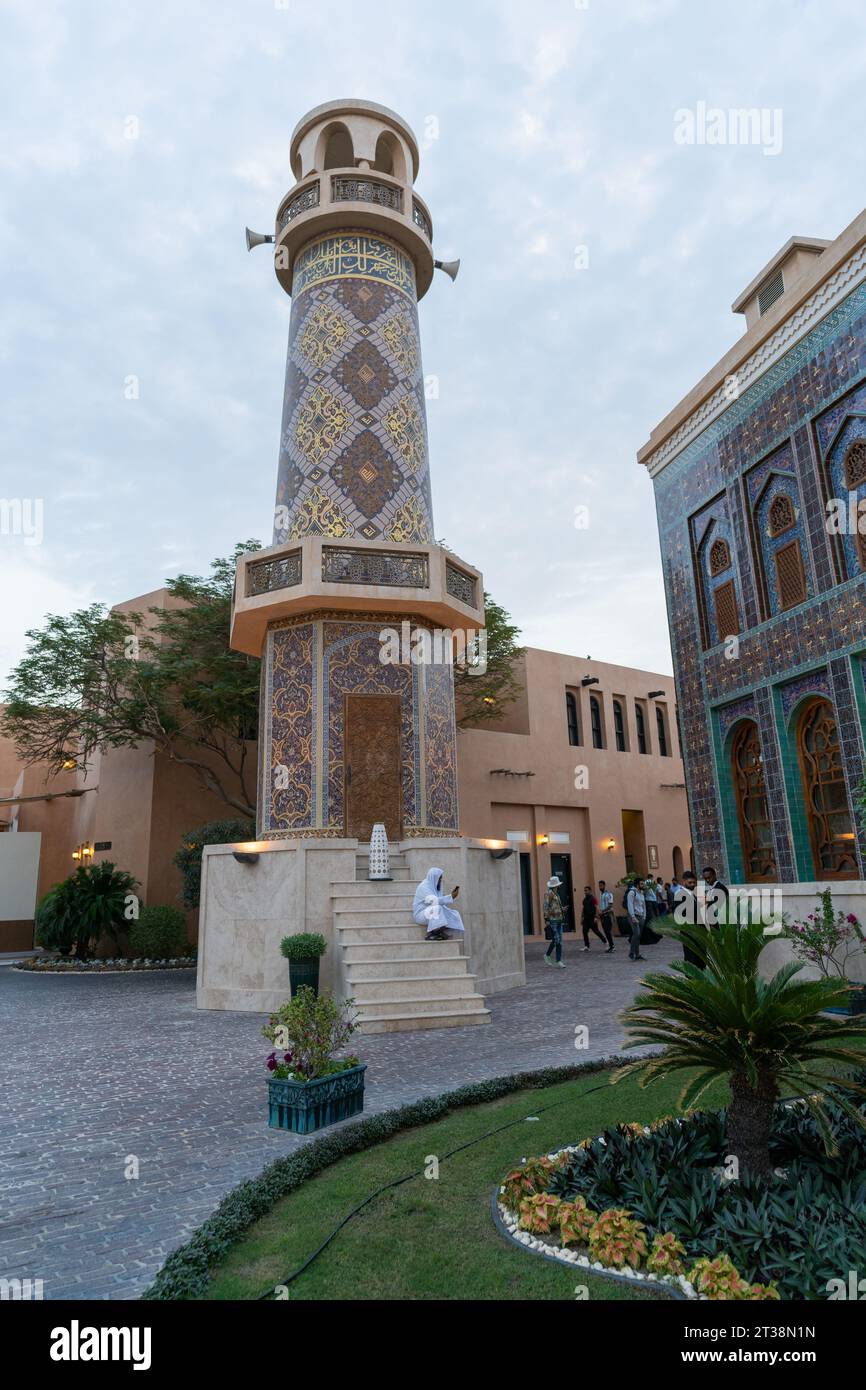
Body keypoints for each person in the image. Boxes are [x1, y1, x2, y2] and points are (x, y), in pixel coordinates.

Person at [413, 867, 464, 941]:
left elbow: (440, 903)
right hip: (421, 915)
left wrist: (450, 899)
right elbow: (434, 901)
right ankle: (432, 933)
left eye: (440, 879)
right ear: (434, 878)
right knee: (437, 909)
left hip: (431, 912)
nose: (440, 881)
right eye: (439, 879)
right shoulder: (424, 887)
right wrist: (451, 897)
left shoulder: (434, 887)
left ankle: (441, 932)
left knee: (454, 913)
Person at [674, 869, 705, 968]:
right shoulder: (680, 894)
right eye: (690, 882)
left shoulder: (693, 894)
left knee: (700, 955)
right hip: (689, 930)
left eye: (694, 883)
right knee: (691, 956)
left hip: (698, 930)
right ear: (684, 882)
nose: (692, 885)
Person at [542, 875, 566, 968]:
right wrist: (546, 919)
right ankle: (558, 960)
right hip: (553, 920)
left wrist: (562, 909)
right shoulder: (548, 894)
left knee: (558, 940)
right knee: (557, 940)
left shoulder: (556, 894)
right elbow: (545, 907)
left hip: (559, 919)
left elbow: (554, 907)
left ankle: (548, 955)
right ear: (555, 885)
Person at [625, 878, 647, 961]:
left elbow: (643, 905)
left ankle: (637, 954)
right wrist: (633, 917)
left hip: (641, 916)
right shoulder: (631, 892)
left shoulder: (641, 893)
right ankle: (631, 952)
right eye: (641, 884)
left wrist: (644, 916)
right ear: (637, 884)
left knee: (638, 936)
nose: (643, 885)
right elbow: (629, 904)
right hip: (633, 916)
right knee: (636, 934)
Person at [580, 886, 606, 951]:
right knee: (584, 931)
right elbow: (583, 909)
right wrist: (582, 917)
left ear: (590, 891)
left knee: (596, 931)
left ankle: (606, 942)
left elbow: (596, 907)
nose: (585, 892)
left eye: (586, 890)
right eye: (584, 890)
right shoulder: (584, 900)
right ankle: (587, 946)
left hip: (592, 918)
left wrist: (596, 917)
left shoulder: (593, 899)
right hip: (586, 919)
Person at [598, 880, 616, 953]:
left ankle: (612, 946)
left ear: (604, 885)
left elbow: (610, 905)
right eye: (599, 885)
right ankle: (610, 946)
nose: (600, 887)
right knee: (606, 931)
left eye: (601, 885)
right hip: (602, 915)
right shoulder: (601, 894)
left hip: (607, 914)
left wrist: (603, 911)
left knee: (608, 931)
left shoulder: (609, 894)